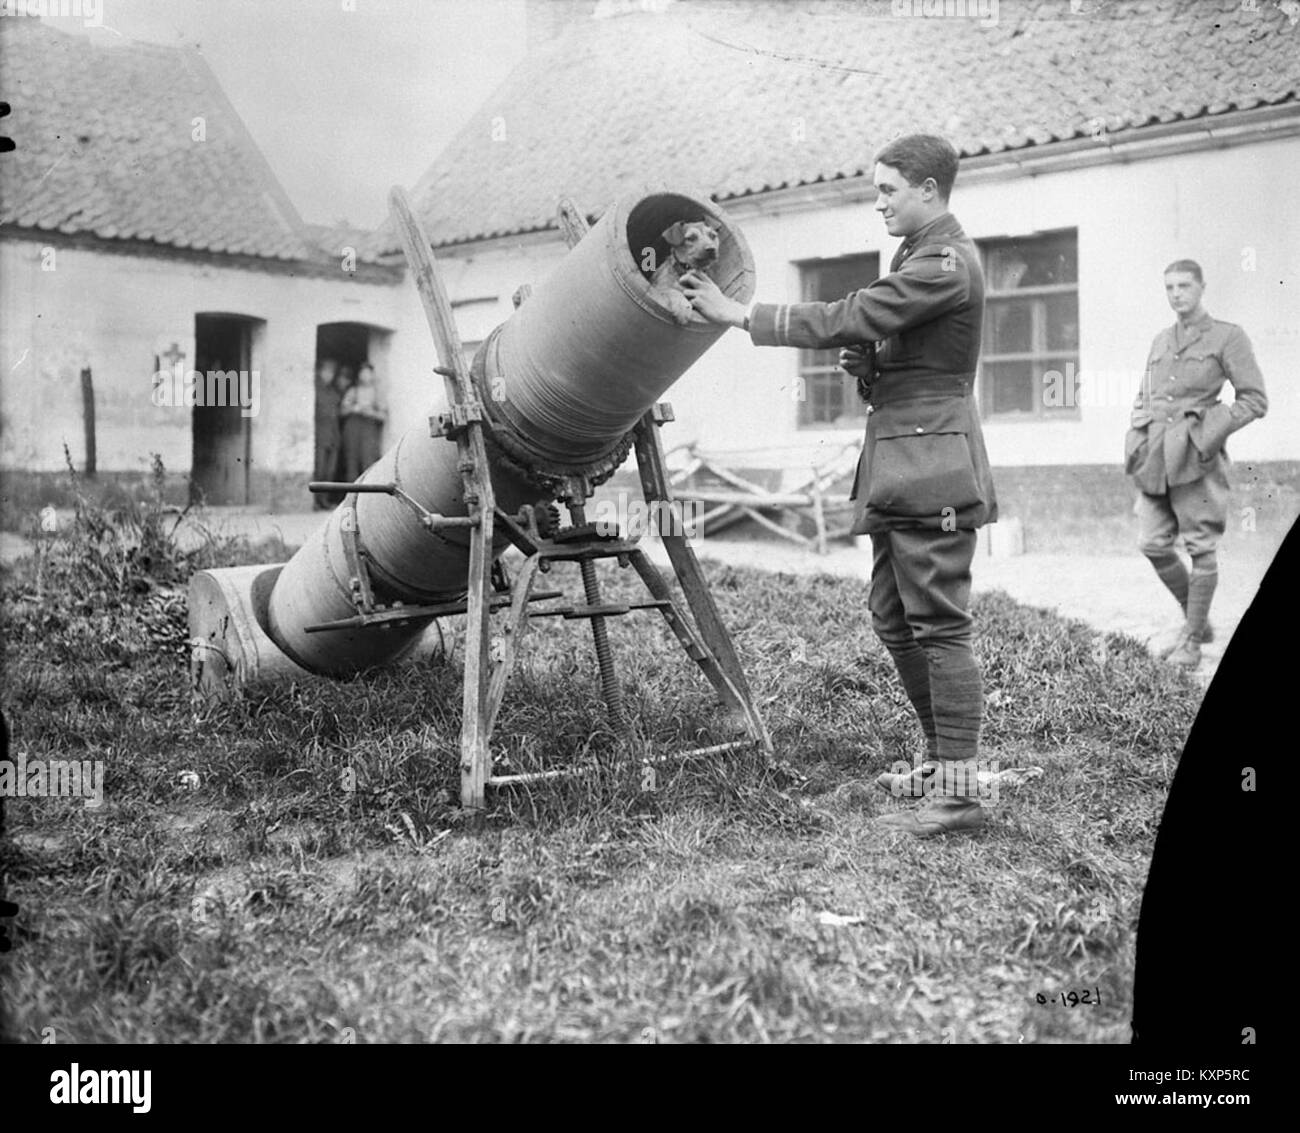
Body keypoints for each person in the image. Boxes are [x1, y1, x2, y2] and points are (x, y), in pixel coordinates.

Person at [682, 133, 997, 837]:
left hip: (931, 465)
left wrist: (742, 315)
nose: (878, 201)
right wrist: (873, 363)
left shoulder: (945, 261)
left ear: (928, 190)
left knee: (939, 624)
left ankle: (958, 793)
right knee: (893, 615)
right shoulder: (917, 256)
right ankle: (940, 758)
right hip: (905, 459)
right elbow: (892, 343)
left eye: (889, 189)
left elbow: (853, 311)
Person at [1126, 260, 1267, 669]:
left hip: (1196, 459)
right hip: (1156, 458)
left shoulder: (1227, 337)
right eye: (1169, 286)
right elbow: (1144, 396)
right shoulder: (1160, 341)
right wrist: (1136, 438)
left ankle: (1191, 640)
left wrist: (1207, 433)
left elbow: (1254, 399)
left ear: (1201, 287)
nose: (1176, 294)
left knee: (1200, 547)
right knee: (1151, 542)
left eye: (1184, 285)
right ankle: (1198, 620)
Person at [339, 361, 388, 482]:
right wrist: (354, 408)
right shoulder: (353, 391)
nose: (365, 376)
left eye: (368, 373)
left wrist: (372, 413)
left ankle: (367, 497)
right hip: (352, 430)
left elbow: (383, 417)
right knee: (351, 462)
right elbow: (341, 412)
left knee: (369, 463)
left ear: (372, 375)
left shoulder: (377, 393)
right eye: (363, 373)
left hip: (369, 431)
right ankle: (351, 497)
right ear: (359, 375)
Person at [312, 357, 343, 511]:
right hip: (320, 436)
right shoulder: (314, 389)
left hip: (333, 436)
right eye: (326, 371)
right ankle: (316, 501)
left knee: (330, 471)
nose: (329, 375)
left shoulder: (333, 391)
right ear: (320, 371)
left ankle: (324, 500)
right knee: (320, 470)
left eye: (332, 372)